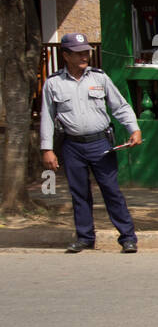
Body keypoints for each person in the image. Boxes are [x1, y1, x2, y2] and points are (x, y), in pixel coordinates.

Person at [38, 32, 143, 253]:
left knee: (111, 190)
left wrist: (133, 129)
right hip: (72, 146)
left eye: (86, 52)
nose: (84, 56)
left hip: (100, 144)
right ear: (66, 55)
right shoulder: (54, 83)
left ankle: (127, 238)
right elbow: (47, 116)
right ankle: (85, 237)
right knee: (79, 193)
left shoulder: (99, 78)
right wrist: (47, 149)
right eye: (78, 53)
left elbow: (120, 106)